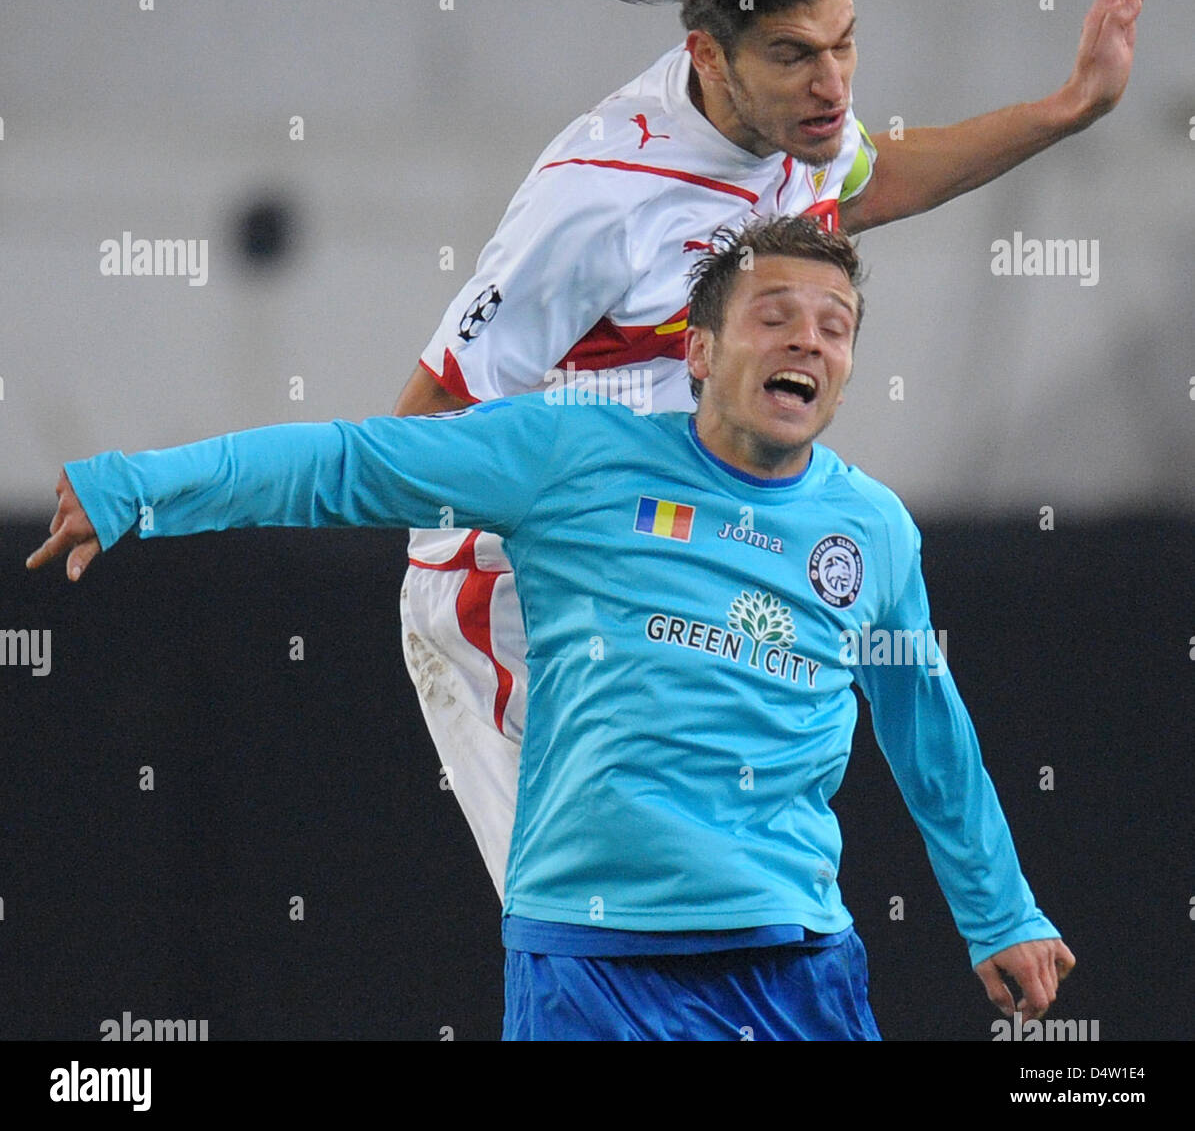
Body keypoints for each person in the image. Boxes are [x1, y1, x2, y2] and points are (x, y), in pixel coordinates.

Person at [29, 216, 1074, 1042]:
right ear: (699, 352)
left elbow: (929, 734)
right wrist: (142, 485)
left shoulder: (872, 530)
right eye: (775, 315)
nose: (809, 337)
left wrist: (1002, 912)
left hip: (791, 958)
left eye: (834, 325)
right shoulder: (570, 457)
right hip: (591, 958)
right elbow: (351, 462)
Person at [394, 0, 1159, 894]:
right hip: (526, 605)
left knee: (724, 917)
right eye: (795, 55)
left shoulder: (795, 126)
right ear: (710, 57)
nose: (831, 83)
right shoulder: (594, 203)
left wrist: (1068, 109)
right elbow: (419, 434)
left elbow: (868, 177)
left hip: (674, 567)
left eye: (844, 43)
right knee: (608, 928)